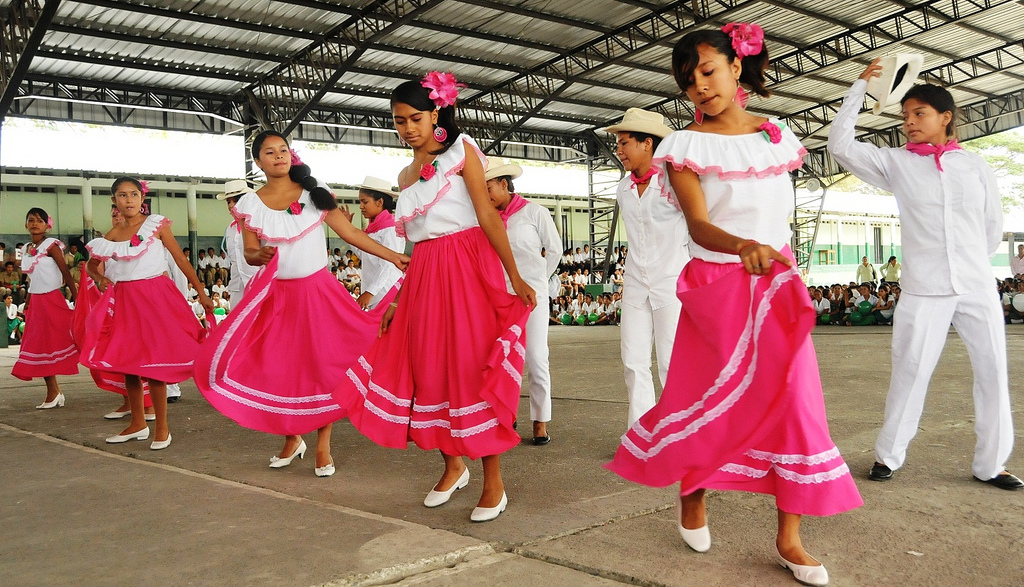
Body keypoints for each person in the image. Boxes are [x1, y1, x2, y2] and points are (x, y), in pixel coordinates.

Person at [608, 24, 862, 587]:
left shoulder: (776, 134)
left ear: (736, 67)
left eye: (707, 71)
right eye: (687, 80)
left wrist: (770, 255)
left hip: (777, 284)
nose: (699, 86)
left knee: (795, 405)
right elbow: (698, 224)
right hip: (717, 284)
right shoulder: (682, 146)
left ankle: (789, 539)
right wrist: (743, 245)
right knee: (708, 401)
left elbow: (777, 217)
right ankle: (693, 490)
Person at [332, 72, 535, 522]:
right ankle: (453, 466)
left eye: (415, 118)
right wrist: (398, 301)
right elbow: (413, 244)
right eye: (399, 121)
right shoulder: (405, 175)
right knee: (428, 370)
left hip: (467, 266)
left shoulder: (463, 153)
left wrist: (514, 275)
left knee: (469, 368)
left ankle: (494, 482)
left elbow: (488, 216)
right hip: (424, 273)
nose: (407, 128)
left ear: (437, 114)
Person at [829, 58, 1020, 491]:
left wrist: (971, 263)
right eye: (905, 116)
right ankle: (888, 456)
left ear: (945, 117)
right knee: (910, 370)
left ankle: (992, 464)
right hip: (923, 288)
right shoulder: (895, 163)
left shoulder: (975, 166)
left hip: (976, 285)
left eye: (919, 114)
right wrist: (858, 90)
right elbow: (840, 145)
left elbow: (991, 225)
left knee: (993, 371)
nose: (909, 123)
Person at [194, 131, 408, 477]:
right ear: (258, 161)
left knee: (321, 368)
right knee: (278, 368)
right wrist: (258, 255)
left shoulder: (313, 192)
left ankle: (323, 445)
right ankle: (292, 438)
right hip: (276, 297)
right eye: (269, 152)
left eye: (283, 150)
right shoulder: (249, 204)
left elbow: (351, 234)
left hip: (317, 294)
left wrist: (394, 256)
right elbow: (249, 252)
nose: (278, 156)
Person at [81, 177, 212, 450]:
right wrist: (100, 278)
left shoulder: (156, 225)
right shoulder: (111, 236)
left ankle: (162, 428)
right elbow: (92, 265)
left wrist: (201, 292)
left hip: (155, 297)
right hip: (126, 300)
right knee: (129, 363)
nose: (128, 200)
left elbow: (180, 259)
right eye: (122, 195)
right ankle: (138, 423)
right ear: (114, 201)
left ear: (142, 198)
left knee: (154, 364)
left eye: (133, 194)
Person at [604, 107, 690, 428]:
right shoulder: (623, 189)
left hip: (671, 282)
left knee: (671, 364)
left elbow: (697, 225)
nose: (619, 150)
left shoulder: (674, 182)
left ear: (647, 143)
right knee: (633, 361)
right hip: (636, 284)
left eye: (624, 143)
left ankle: (677, 434)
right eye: (618, 144)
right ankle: (640, 434)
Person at [485, 157, 562, 444]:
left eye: (488, 188)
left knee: (537, 357)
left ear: (504, 184)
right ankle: (506, 414)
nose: (485, 195)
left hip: (533, 298)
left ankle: (540, 420)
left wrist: (537, 280)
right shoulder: (486, 218)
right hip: (500, 298)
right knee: (503, 358)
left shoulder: (535, 212)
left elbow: (554, 250)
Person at [11, 208, 80, 408]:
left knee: (69, 338)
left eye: (39, 220)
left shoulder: (51, 245)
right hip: (36, 302)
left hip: (52, 300)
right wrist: (28, 302)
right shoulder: (26, 248)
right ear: (26, 224)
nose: (35, 224)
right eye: (31, 220)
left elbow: (65, 272)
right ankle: (53, 391)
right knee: (39, 346)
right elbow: (32, 279)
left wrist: (78, 299)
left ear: (47, 225)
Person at [356, 176, 405, 310]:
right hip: (376, 294)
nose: (361, 206)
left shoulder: (390, 229)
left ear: (380, 202)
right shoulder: (373, 228)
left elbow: (388, 263)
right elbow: (363, 254)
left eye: (364, 202)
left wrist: (370, 292)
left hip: (386, 292)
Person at [216, 180, 261, 303]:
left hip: (257, 282)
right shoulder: (230, 229)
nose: (231, 205)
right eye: (228, 202)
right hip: (237, 285)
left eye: (235, 201)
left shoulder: (258, 224)